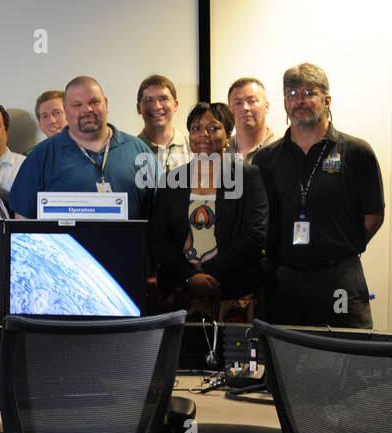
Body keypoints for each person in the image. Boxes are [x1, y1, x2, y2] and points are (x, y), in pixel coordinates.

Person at [254, 63, 384, 328]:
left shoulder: (356, 152)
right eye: (292, 94)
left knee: (346, 362)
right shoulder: (265, 159)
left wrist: (339, 245)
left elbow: (373, 215)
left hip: (340, 278)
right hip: (282, 279)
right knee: (284, 363)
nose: (299, 100)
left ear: (327, 100)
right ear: (284, 103)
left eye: (309, 92)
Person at [148, 102, 267, 320]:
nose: (203, 134)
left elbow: (254, 236)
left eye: (213, 128)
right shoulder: (172, 180)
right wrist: (190, 278)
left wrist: (210, 274)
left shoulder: (248, 177)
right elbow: (159, 239)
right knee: (181, 354)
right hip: (181, 293)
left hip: (233, 290)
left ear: (228, 135)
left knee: (232, 353)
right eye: (195, 128)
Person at [7, 76, 153, 220]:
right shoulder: (40, 156)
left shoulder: (138, 150)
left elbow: (160, 210)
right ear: (66, 109)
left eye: (94, 102)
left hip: (131, 244)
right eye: (77, 105)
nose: (87, 110)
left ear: (106, 104)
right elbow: (22, 220)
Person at [135, 75, 189, 171]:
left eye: (163, 98)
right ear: (139, 108)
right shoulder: (130, 151)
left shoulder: (193, 148)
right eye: (149, 100)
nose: (157, 106)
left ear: (175, 105)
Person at [226, 77, 277, 164]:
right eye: (238, 103)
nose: (245, 108)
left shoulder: (282, 151)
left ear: (266, 106)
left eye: (252, 101)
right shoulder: (221, 152)